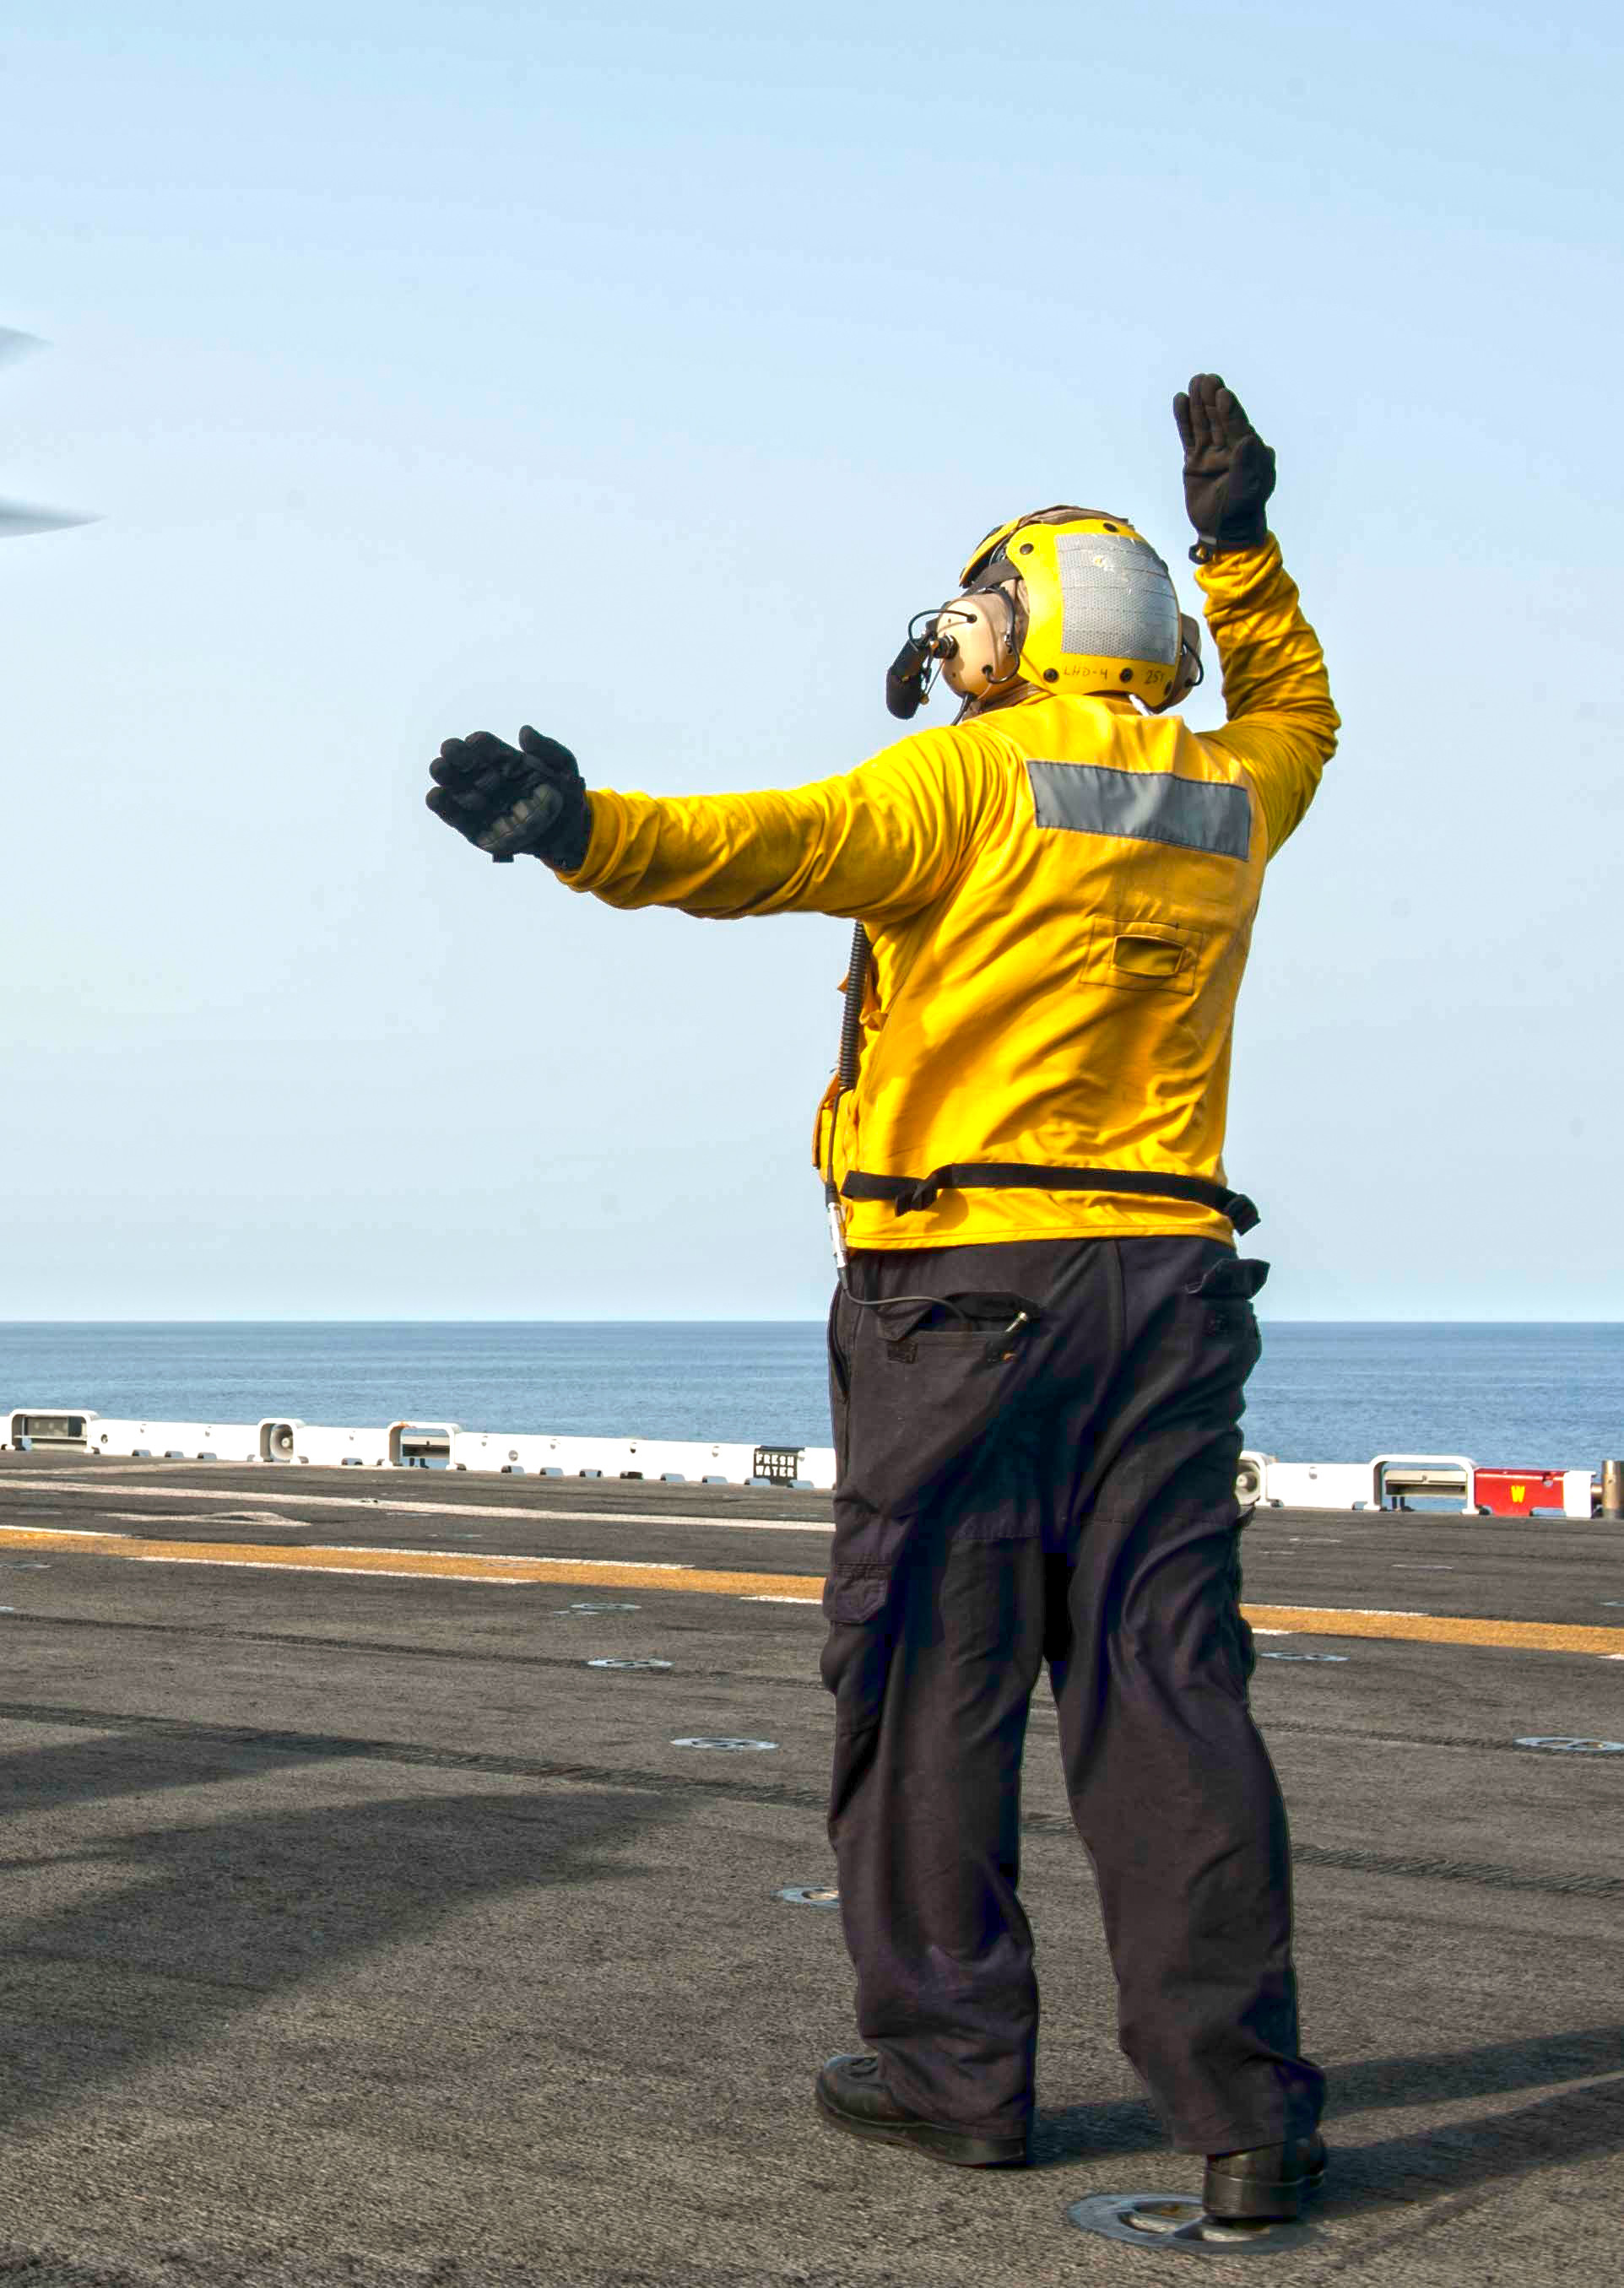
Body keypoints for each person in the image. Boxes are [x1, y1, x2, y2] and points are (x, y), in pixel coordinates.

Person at [426, 376, 1333, 2225]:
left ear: (1018, 625)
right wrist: (1240, 552)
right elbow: (1302, 708)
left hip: (959, 1297)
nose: (959, 633)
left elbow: (754, 845)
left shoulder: (960, 775)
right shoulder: (1229, 789)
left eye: (977, 608)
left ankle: (951, 2070)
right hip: (1165, 1286)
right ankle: (1240, 2111)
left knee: (929, 1678)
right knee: (1167, 1691)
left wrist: (577, 824)